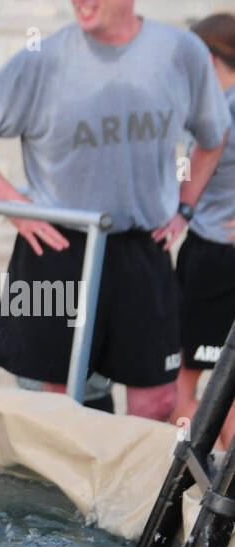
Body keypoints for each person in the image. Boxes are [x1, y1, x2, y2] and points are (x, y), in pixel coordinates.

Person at [0, 0, 231, 421]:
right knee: (60, 395)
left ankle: (132, 487)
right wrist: (16, 207)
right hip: (57, 245)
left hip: (143, 245)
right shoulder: (42, 59)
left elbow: (213, 133)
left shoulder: (180, 51)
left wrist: (185, 205)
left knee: (159, 400)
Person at [173, 12, 235, 448]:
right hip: (214, 250)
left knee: (182, 384)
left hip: (214, 253)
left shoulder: (221, 107)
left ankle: (194, 489)